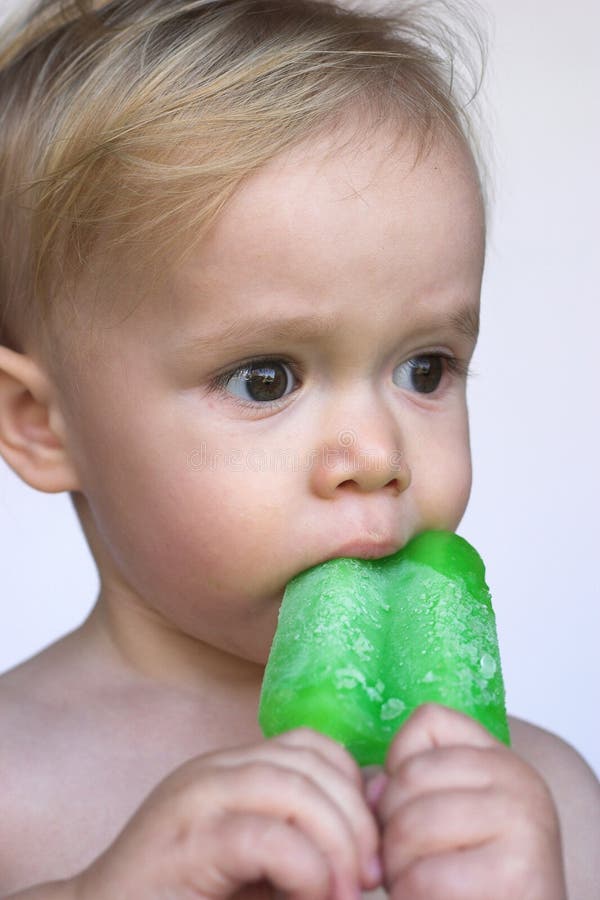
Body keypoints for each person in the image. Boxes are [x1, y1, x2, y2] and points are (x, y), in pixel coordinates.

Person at [0, 0, 598, 896]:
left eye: (426, 368)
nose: (377, 453)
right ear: (40, 424)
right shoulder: (16, 791)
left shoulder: (541, 798)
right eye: (265, 379)